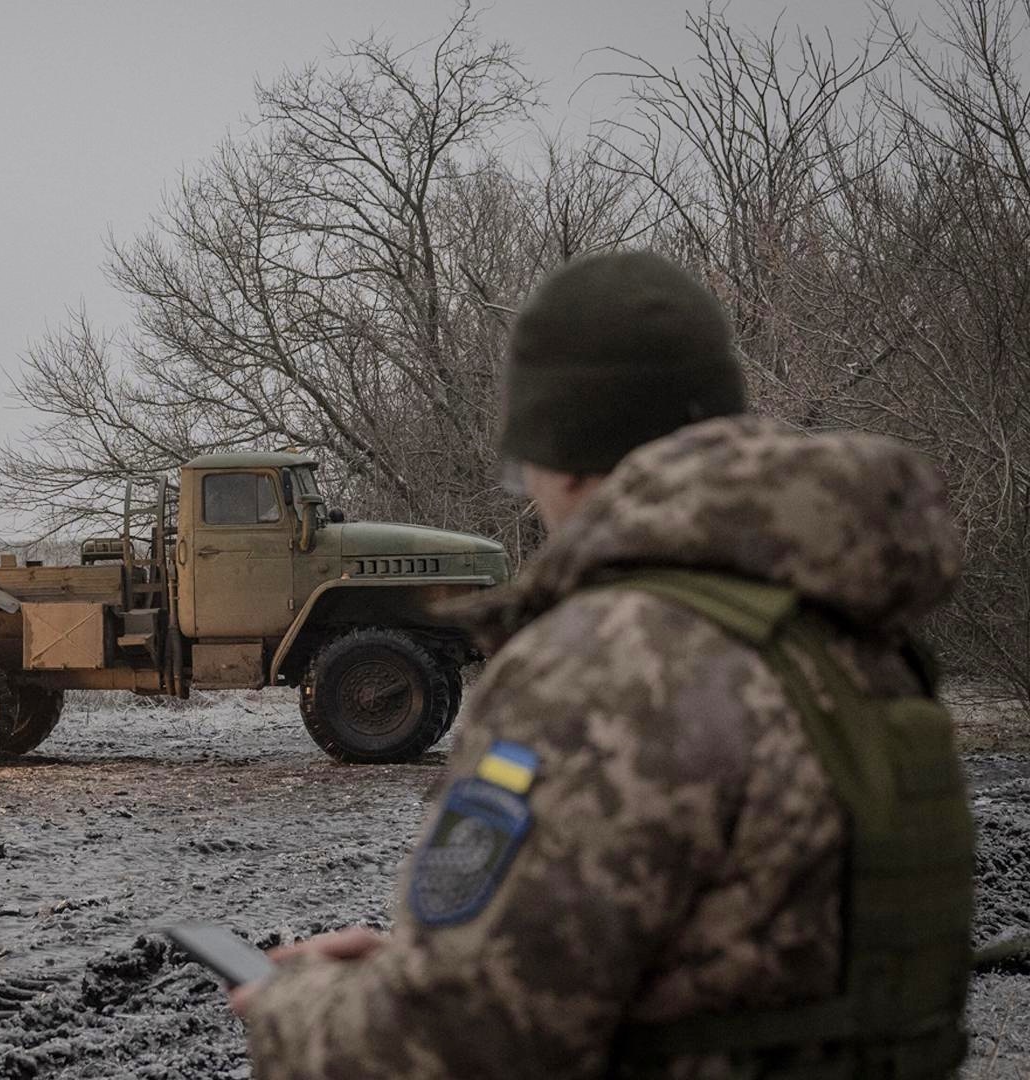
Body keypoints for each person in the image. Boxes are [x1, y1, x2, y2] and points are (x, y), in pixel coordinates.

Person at [231, 250, 975, 1078]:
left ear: (562, 452)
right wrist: (434, 965)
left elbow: (463, 1044)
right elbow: (749, 967)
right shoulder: (850, 635)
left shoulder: (607, 668)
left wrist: (296, 1011)